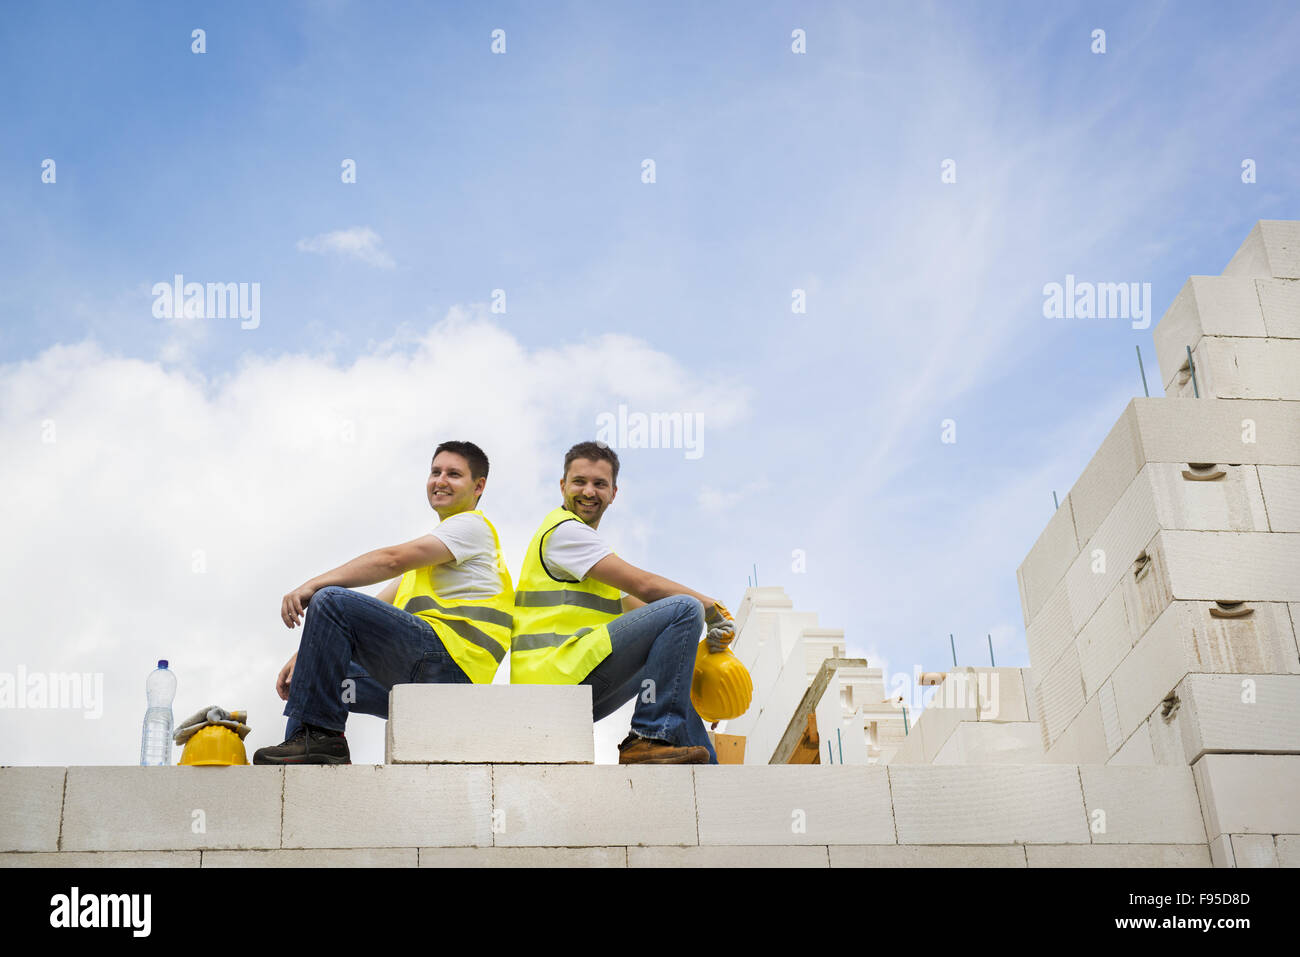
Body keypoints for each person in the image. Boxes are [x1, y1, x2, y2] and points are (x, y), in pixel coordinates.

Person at [253, 440, 514, 765]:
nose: (440, 480)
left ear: (478, 487)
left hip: (450, 670)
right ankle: (309, 758)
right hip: (427, 678)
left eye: (454, 474)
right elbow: (367, 611)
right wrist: (309, 655)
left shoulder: (471, 527)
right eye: (435, 472)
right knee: (312, 678)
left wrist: (313, 585)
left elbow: (389, 561)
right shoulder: (437, 558)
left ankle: (322, 739)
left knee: (329, 599)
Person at [510, 441, 734, 764]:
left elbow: (656, 622)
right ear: (562, 487)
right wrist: (712, 608)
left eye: (600, 484)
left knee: (674, 632)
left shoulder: (591, 558)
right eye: (579, 482)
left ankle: (709, 773)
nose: (589, 491)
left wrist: (694, 677)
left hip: (570, 687)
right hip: (554, 683)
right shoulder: (565, 534)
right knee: (687, 607)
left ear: (614, 493)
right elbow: (647, 588)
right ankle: (649, 736)